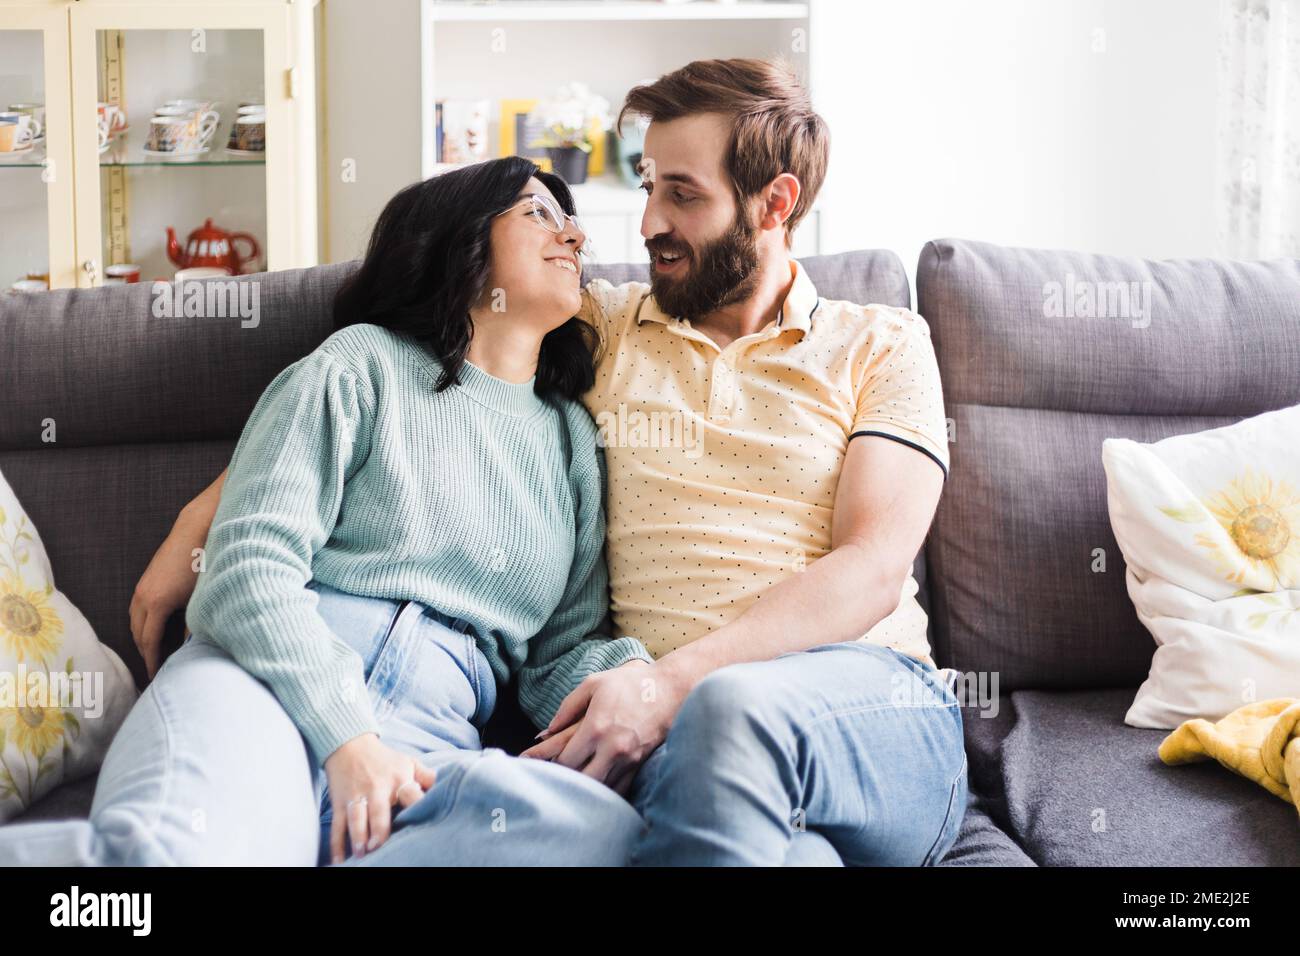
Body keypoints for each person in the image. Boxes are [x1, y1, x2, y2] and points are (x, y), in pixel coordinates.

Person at [134, 59, 969, 867]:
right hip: (679, 744)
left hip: (862, 705)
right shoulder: (597, 328)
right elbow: (411, 362)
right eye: (647, 187)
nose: (643, 225)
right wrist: (204, 519)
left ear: (774, 203)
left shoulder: (880, 343)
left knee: (725, 719)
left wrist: (667, 684)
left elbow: (870, 566)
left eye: (682, 194)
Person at [0, 156, 651, 867]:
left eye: (573, 221)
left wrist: (649, 687)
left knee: (601, 835)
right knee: (163, 861)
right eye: (539, 214)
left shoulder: (570, 443)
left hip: (424, 755)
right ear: (460, 241)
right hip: (262, 691)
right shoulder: (359, 365)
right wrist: (347, 736)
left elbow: (565, 651)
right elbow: (247, 568)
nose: (574, 238)